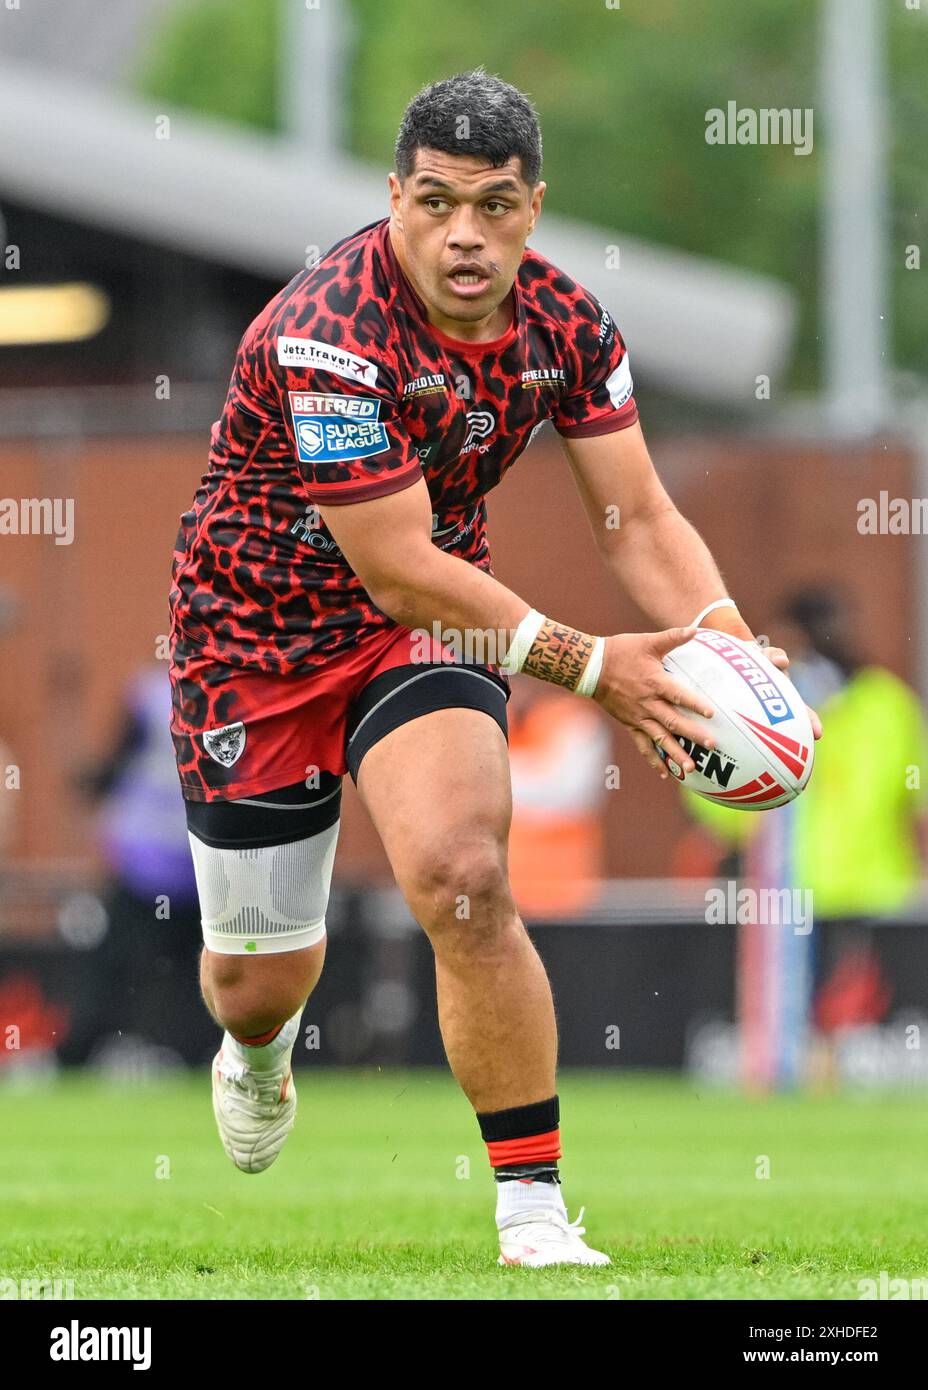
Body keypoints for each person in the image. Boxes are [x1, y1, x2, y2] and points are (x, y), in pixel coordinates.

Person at [168, 69, 820, 1267]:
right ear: (393, 198)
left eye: (495, 204)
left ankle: (530, 1212)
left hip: (434, 625)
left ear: (533, 207)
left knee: (463, 870)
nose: (463, 234)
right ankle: (257, 1053)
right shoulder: (332, 329)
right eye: (434, 201)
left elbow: (636, 517)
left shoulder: (567, 323)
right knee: (254, 981)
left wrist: (721, 634)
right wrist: (591, 665)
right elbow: (394, 561)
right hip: (251, 639)